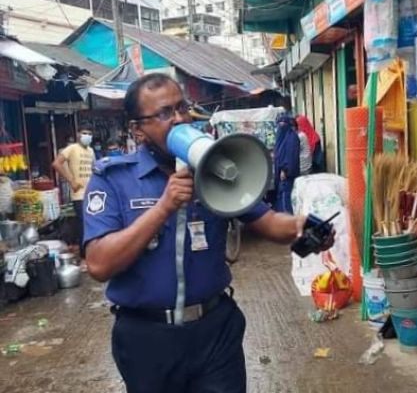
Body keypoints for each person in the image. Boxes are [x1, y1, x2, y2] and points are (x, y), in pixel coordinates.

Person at [83, 73, 333, 393]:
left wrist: (302, 226)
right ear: (138, 130)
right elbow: (99, 265)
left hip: (216, 331)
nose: (179, 119)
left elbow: (268, 222)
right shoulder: (114, 178)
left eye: (181, 108)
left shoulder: (214, 168)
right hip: (147, 338)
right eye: (163, 114)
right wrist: (163, 208)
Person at [52, 126, 96, 259]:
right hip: (79, 194)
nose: (87, 136)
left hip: (92, 193)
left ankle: (92, 253)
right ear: (78, 135)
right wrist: (71, 181)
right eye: (84, 133)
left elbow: (93, 169)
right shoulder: (71, 148)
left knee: (92, 224)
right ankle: (84, 258)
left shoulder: (91, 151)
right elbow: (56, 163)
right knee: (83, 225)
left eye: (89, 133)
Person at [273, 114, 300, 214]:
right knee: (281, 195)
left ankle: (287, 219)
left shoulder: (292, 138)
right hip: (281, 173)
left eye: (283, 124)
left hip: (286, 174)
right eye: (279, 124)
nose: (281, 126)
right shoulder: (283, 137)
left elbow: (290, 155)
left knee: (285, 196)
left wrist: (285, 170)